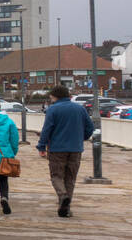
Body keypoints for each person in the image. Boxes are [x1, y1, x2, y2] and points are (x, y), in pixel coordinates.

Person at [36, 84, 94, 218]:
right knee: (70, 178)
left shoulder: (53, 109)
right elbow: (90, 127)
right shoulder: (80, 109)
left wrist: (41, 146)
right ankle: (66, 209)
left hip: (57, 149)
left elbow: (47, 130)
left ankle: (62, 196)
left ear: (54, 96)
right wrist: (82, 138)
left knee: (57, 176)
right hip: (76, 149)